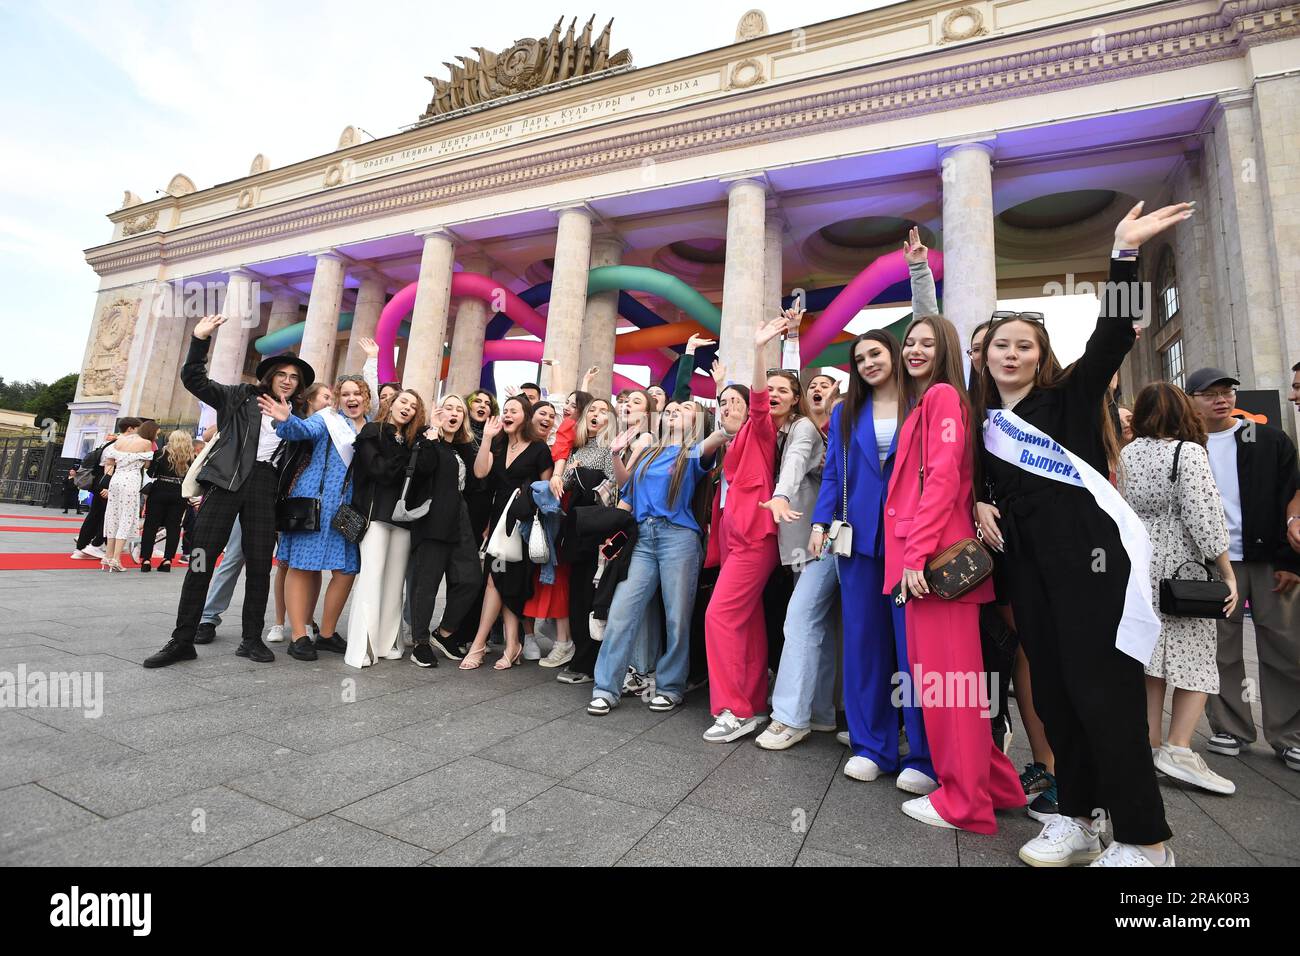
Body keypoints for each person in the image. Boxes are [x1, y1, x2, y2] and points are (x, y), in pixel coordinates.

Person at [976, 200, 1191, 866]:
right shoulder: (987, 425)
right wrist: (981, 502)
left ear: (1039, 357)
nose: (1010, 353)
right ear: (982, 356)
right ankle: (1076, 817)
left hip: (1090, 563)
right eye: (999, 345)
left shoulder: (1067, 398)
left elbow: (1115, 335)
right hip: (1030, 570)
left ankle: (1145, 839)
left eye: (1023, 345)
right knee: (1054, 694)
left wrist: (1123, 254)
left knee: (1104, 693)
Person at [885, 314, 1023, 833]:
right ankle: (998, 787)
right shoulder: (928, 401)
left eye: (927, 342)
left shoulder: (942, 396)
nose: (914, 350)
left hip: (937, 566)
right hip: (932, 564)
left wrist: (915, 556)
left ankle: (964, 802)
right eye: (909, 342)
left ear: (945, 349)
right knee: (949, 686)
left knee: (948, 689)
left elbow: (942, 480)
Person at [143, 313, 313, 669]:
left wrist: (289, 421)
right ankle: (182, 639)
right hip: (226, 483)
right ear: (270, 377)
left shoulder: (298, 416)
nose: (287, 381)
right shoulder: (239, 397)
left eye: (294, 378)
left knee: (258, 566)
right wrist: (199, 339)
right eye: (282, 374)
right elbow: (194, 378)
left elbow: (309, 441)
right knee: (202, 559)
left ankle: (251, 639)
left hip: (265, 489)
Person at [1121, 382, 1238, 794]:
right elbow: (1204, 516)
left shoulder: (1127, 453)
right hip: (1182, 563)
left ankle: (1149, 746)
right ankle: (1180, 748)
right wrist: (1225, 571)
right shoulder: (1187, 452)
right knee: (1195, 655)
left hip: (1140, 560)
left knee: (1150, 659)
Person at [1186, 366, 1300, 773]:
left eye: (1227, 391)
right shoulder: (1185, 444)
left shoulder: (1267, 439)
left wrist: (1291, 562)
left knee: (1285, 648)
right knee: (1221, 649)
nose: (1222, 398)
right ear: (1192, 401)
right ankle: (1230, 728)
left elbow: (1292, 498)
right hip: (1214, 563)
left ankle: (1288, 735)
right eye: (1210, 393)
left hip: (1270, 560)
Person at [586, 399, 727, 716]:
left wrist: (724, 420)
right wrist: (615, 454)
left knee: (677, 617)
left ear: (698, 420)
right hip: (644, 538)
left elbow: (717, 439)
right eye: (671, 408)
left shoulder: (692, 452)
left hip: (678, 537)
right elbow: (627, 490)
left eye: (685, 407)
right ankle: (606, 688)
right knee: (622, 610)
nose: (674, 410)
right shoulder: (649, 452)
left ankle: (670, 687)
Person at [701, 316, 791, 742]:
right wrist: (718, 386)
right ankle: (752, 703)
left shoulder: (760, 432)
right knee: (747, 623)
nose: (731, 409)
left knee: (719, 617)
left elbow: (758, 401)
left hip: (757, 540)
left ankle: (732, 709)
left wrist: (759, 350)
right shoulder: (730, 446)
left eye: (737, 403)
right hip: (734, 544)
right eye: (724, 405)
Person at [262, 376, 370, 661]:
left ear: (366, 396)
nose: (351, 398)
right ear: (337, 398)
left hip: (348, 508)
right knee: (302, 566)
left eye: (356, 393)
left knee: (346, 569)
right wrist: (286, 420)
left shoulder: (370, 425)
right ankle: (298, 635)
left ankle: (326, 633)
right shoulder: (327, 419)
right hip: (315, 500)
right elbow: (301, 430)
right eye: (344, 393)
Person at [461, 395, 554, 670]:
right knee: (496, 580)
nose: (508, 414)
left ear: (525, 416)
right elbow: (479, 473)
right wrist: (488, 438)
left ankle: (483, 643)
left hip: (522, 526)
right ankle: (510, 644)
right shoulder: (499, 445)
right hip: (499, 525)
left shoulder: (539, 450)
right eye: (506, 410)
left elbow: (545, 492)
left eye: (514, 410)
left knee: (501, 582)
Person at [345, 388, 427, 668]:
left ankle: (387, 642)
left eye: (414, 406)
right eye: (404, 401)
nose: (407, 408)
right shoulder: (373, 430)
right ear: (391, 403)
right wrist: (406, 455)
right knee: (371, 577)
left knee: (395, 584)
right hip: (375, 514)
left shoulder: (414, 441)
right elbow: (378, 470)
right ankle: (362, 647)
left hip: (403, 519)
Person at [407, 395, 483, 667]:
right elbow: (422, 470)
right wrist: (432, 433)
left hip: (460, 519)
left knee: (472, 578)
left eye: (459, 410)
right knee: (426, 585)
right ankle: (420, 642)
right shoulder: (428, 441)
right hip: (433, 519)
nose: (454, 413)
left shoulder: (461, 448)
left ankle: (445, 632)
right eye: (448, 407)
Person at [551, 396, 617, 678]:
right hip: (576, 529)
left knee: (592, 596)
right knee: (577, 594)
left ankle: (589, 662)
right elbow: (563, 484)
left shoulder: (610, 449)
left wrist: (583, 476)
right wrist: (563, 474)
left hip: (600, 529)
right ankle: (580, 655)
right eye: (593, 410)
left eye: (604, 411)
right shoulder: (577, 449)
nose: (597, 414)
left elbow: (613, 489)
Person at [71, 419, 139, 561]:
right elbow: (110, 466)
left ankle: (82, 547)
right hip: (108, 480)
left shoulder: (109, 442)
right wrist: (108, 486)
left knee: (95, 514)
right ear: (130, 429)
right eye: (137, 429)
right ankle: (94, 545)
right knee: (107, 515)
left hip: (101, 479)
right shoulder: (118, 443)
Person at [101, 420, 159, 571]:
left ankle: (107, 556)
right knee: (126, 518)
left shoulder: (120, 440)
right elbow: (146, 465)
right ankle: (116, 559)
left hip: (116, 479)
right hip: (131, 480)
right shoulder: (146, 443)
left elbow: (109, 461)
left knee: (113, 516)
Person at [138, 429, 195, 572]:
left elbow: (151, 473)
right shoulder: (190, 457)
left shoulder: (160, 454)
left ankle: (146, 559)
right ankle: (168, 559)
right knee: (174, 527)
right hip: (179, 492)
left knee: (151, 526)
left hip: (159, 490)